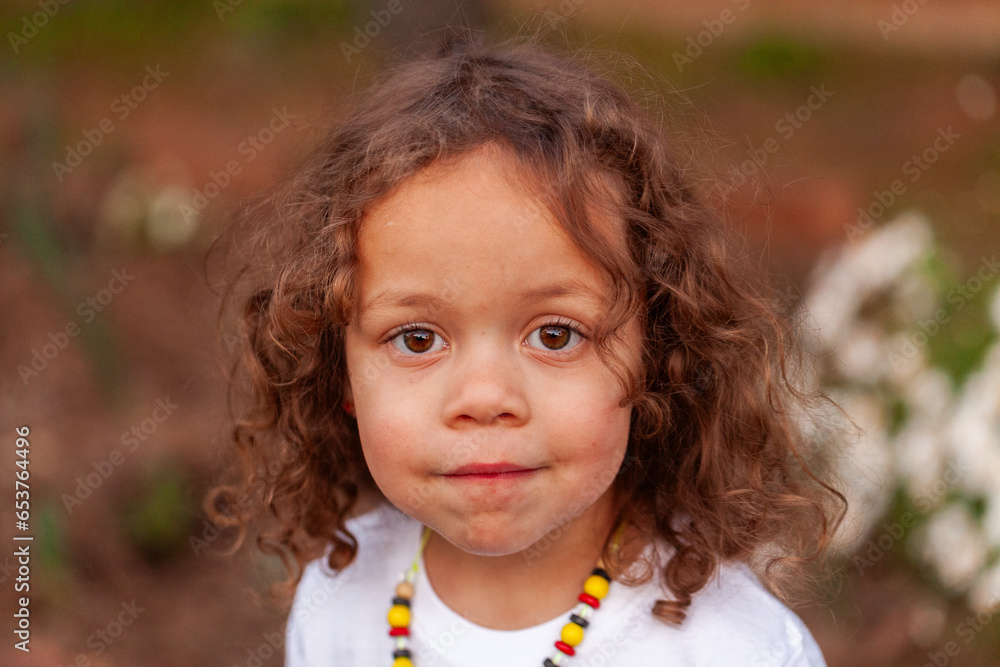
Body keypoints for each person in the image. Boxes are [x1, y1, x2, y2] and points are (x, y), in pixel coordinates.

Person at [209, 30, 846, 667]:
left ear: (653, 352)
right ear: (340, 373)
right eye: (418, 338)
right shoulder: (338, 607)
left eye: (554, 334)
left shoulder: (731, 649)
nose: (486, 398)